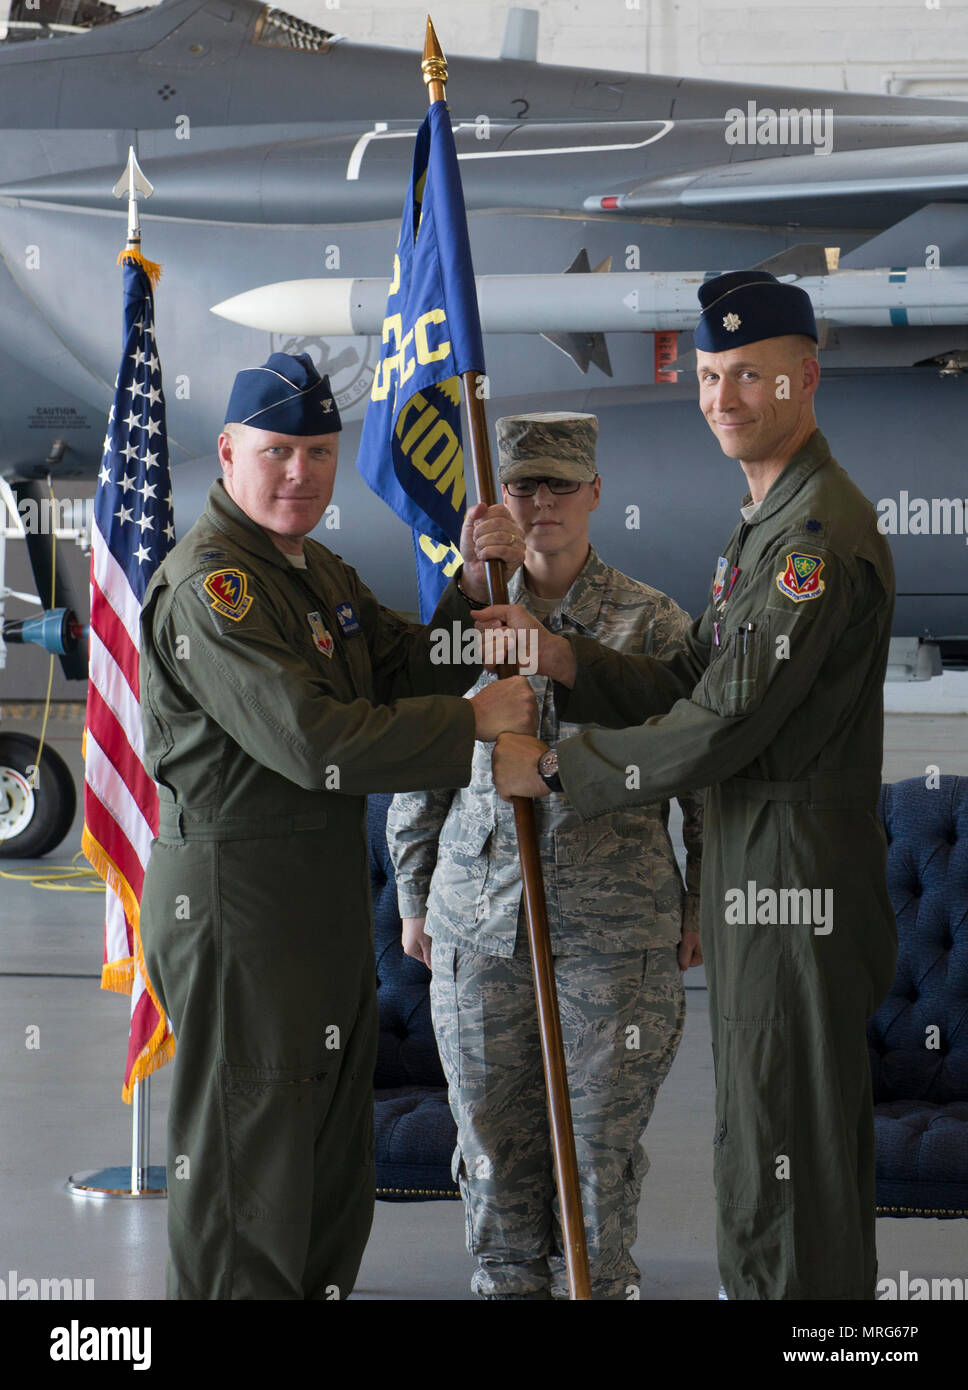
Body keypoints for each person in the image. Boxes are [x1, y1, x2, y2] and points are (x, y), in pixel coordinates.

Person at [486, 273, 898, 1301]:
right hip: (761, 866)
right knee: (769, 1136)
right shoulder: (765, 519)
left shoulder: (809, 539)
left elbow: (722, 724)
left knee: (781, 1151)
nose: (721, 398)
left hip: (789, 873)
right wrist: (564, 658)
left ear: (803, 377)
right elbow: (690, 682)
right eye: (709, 376)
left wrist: (551, 769)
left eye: (747, 376)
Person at [138, 352, 537, 1300]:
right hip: (240, 910)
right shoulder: (215, 587)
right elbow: (312, 737)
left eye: (319, 453)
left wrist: (474, 595)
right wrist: (476, 726)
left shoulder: (310, 569)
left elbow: (404, 663)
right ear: (228, 452)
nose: (300, 474)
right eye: (277, 452)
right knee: (255, 1170)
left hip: (310, 906)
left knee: (324, 1161)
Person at [386, 411, 703, 1301]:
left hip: (617, 931)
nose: (543, 502)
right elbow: (420, 753)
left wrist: (703, 897)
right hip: (478, 922)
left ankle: (597, 1285)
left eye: (563, 484)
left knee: (598, 1147)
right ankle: (504, 1285)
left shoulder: (652, 621)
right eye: (525, 485)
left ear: (596, 493)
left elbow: (700, 767)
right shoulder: (466, 615)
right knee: (489, 1142)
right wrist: (413, 894)